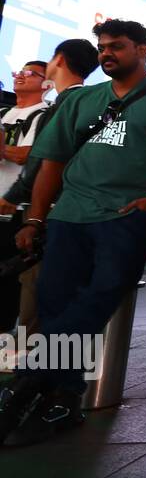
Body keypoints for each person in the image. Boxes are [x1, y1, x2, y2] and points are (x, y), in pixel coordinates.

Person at [0, 20, 146, 446]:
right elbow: (51, 162)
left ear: (143, 50)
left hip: (128, 218)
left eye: (117, 46)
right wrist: (36, 219)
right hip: (69, 217)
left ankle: (26, 384)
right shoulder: (83, 101)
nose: (106, 53)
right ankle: (63, 398)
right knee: (56, 304)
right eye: (102, 48)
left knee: (99, 297)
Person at [0, 39, 98, 333]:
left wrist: (13, 197)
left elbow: (43, 158)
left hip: (51, 211)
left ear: (58, 61)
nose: (21, 76)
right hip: (57, 210)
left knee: (37, 292)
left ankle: (36, 368)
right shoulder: (78, 101)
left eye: (30, 73)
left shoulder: (67, 104)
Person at [0, 59, 51, 331]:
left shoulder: (44, 115)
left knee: (10, 278)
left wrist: (4, 150)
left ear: (47, 84)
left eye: (30, 73)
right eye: (19, 71)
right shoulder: (4, 113)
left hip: (19, 209)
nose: (21, 76)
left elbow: (31, 157)